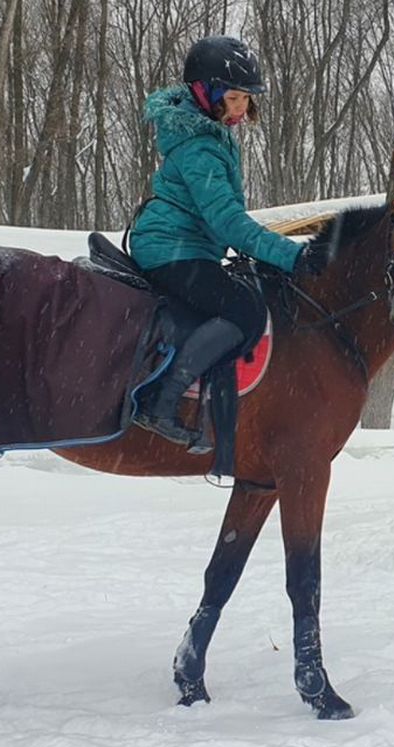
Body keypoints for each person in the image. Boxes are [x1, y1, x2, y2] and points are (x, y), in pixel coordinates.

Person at [128, 34, 317, 448]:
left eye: (245, 99)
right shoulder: (199, 148)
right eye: (232, 98)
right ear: (204, 92)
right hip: (171, 250)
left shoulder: (212, 135)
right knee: (244, 310)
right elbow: (229, 222)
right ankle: (161, 402)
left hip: (189, 246)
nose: (240, 108)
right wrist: (293, 256)